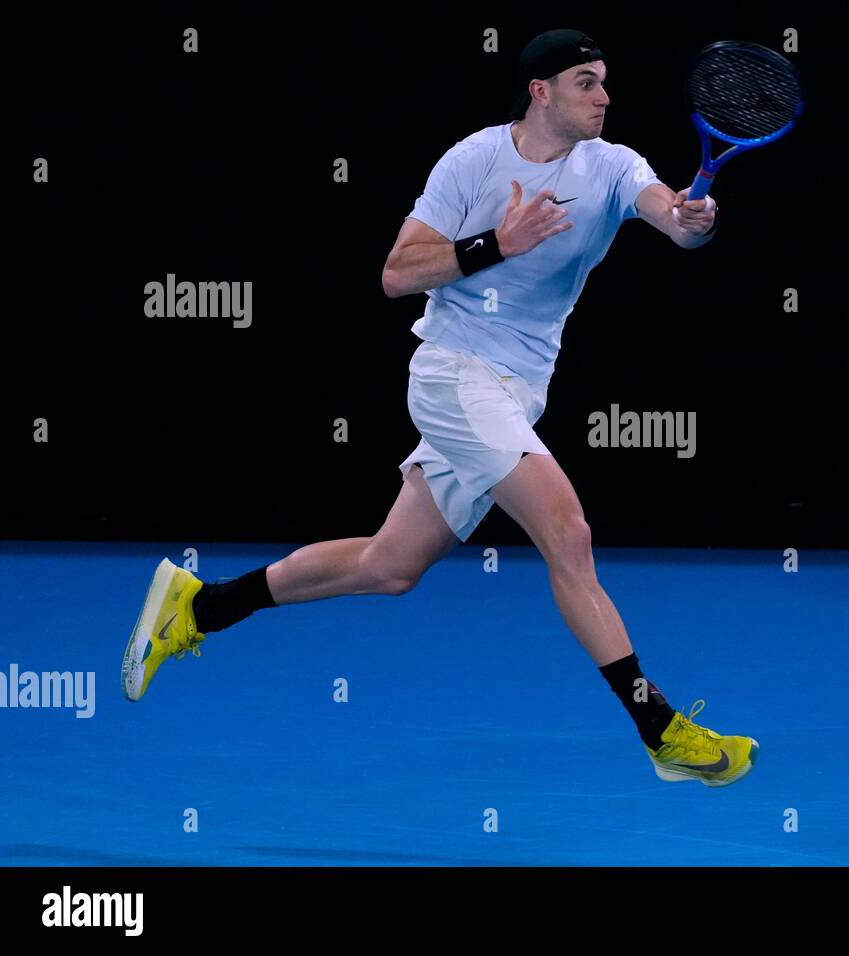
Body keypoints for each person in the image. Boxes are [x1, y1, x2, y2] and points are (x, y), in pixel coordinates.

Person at [121, 29, 757, 788]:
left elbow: (672, 217)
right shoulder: (473, 161)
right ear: (540, 90)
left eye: (605, 82)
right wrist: (499, 242)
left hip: (518, 393)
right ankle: (659, 730)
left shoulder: (614, 166)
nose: (604, 96)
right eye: (587, 82)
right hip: (456, 374)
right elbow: (397, 273)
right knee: (568, 532)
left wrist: (693, 220)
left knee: (388, 565)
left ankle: (199, 607)